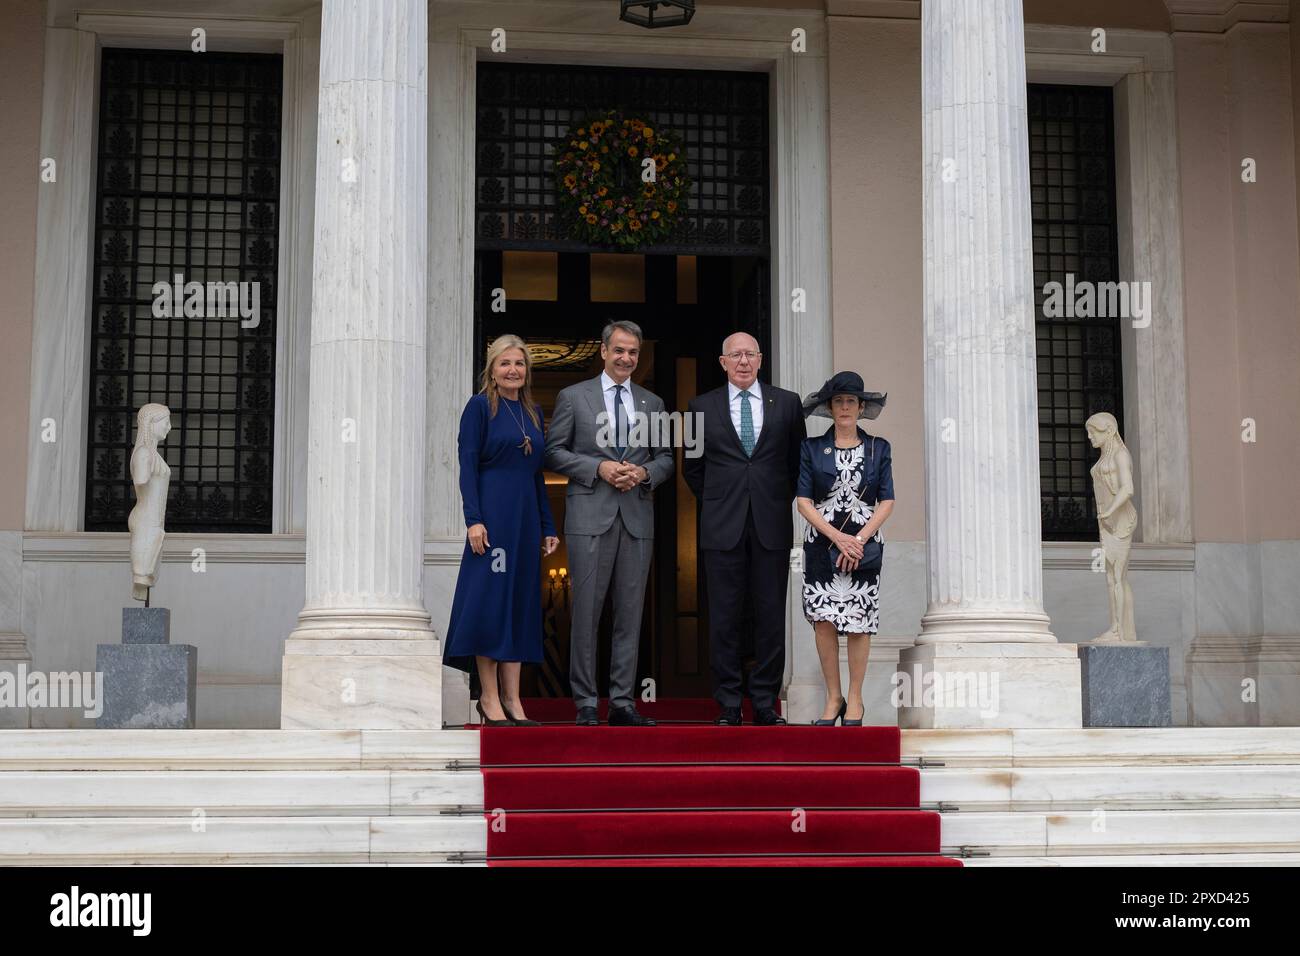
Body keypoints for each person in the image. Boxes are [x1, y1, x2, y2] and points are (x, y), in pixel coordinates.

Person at [544, 321, 674, 726]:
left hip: (636, 516)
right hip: (589, 516)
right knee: (586, 611)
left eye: (633, 352)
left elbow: (667, 458)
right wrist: (597, 466)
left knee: (630, 613)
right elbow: (553, 453)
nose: (626, 358)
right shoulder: (573, 397)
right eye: (619, 350)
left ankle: (621, 701)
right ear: (603, 351)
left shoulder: (652, 403)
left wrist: (645, 473)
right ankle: (585, 701)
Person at [683, 332, 805, 726]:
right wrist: (720, 501)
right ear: (722, 361)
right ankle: (729, 703)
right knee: (724, 616)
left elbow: (795, 465)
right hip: (722, 527)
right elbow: (693, 468)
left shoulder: (787, 404)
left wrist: (770, 498)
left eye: (749, 354)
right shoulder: (699, 407)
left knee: (771, 614)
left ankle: (766, 702)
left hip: (771, 524)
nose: (742, 361)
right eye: (735, 355)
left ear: (760, 359)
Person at [444, 335, 560, 727]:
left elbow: (537, 475)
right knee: (491, 604)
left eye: (520, 364)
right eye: (505, 363)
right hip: (492, 521)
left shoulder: (531, 410)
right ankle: (489, 698)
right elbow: (467, 466)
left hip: (525, 522)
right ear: (491, 369)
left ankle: (514, 698)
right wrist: (473, 519)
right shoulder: (479, 408)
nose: (513, 370)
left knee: (520, 606)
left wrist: (547, 525)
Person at [795, 372, 894, 727]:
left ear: (861, 407)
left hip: (864, 542)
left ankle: (855, 698)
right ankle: (833, 696)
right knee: (823, 621)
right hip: (822, 541)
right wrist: (838, 538)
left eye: (851, 401)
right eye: (839, 401)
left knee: (858, 623)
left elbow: (887, 501)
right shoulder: (810, 448)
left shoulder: (878, 448)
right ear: (830, 407)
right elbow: (803, 501)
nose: (845, 407)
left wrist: (859, 539)